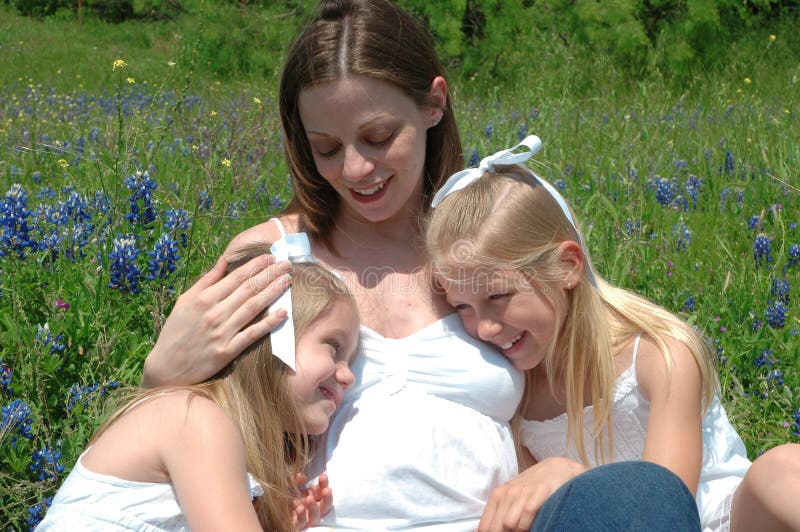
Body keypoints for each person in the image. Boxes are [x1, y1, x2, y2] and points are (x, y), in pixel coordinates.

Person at [142, 1, 703, 530]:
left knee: (641, 496)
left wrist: (567, 477)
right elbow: (186, 426)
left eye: (378, 136)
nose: (356, 168)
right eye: (327, 147)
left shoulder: (480, 246)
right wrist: (161, 378)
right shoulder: (274, 260)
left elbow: (578, 384)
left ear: (434, 104)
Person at [425, 134, 800, 532]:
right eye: (461, 306)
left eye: (498, 295)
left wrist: (569, 477)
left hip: (707, 521)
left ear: (568, 266)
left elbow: (662, 502)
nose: (483, 326)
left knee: (782, 467)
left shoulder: (661, 354)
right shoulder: (508, 388)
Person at [38, 242, 360, 531]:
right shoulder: (194, 419)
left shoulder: (218, 438)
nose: (349, 376)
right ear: (265, 338)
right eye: (333, 347)